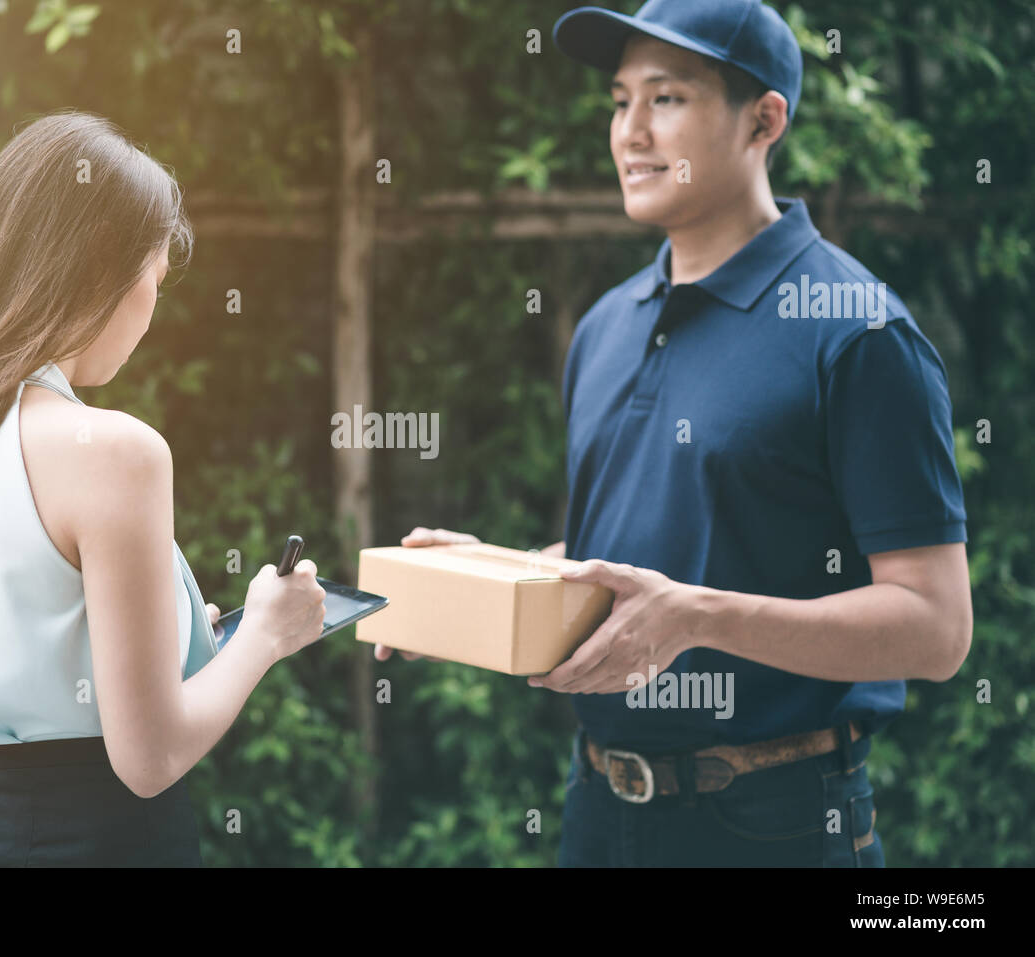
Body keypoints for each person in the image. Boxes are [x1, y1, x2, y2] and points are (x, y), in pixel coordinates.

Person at [376, 0, 972, 867]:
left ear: (764, 119)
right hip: (598, 810)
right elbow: (642, 557)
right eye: (620, 101)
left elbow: (936, 626)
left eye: (666, 99)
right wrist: (502, 575)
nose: (630, 133)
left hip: (776, 824)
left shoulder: (856, 330)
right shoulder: (606, 324)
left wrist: (695, 618)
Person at [0, 110, 327, 867]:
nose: (153, 307)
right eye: (154, 277)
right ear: (104, 273)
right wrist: (265, 634)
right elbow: (148, 760)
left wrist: (162, 637)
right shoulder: (118, 452)